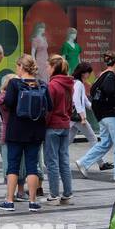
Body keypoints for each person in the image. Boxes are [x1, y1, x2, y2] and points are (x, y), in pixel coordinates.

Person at [0, 54, 47, 212]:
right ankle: (33, 202)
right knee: (32, 166)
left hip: (16, 130)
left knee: (13, 166)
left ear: (21, 67)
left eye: (17, 67)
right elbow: (49, 106)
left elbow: (8, 103)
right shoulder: (41, 84)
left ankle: (9, 200)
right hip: (36, 130)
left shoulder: (14, 83)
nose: (16, 70)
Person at [76, 51, 115, 177]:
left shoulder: (101, 76)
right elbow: (110, 95)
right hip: (112, 115)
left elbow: (94, 92)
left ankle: (83, 162)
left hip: (102, 116)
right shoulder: (110, 76)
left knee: (105, 143)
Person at [43, 54, 75, 205]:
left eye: (48, 66)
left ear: (54, 67)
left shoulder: (52, 85)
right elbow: (70, 107)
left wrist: (45, 123)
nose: (46, 68)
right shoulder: (69, 84)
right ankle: (67, 194)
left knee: (52, 161)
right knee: (64, 160)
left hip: (53, 126)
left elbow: (48, 109)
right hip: (65, 125)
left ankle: (54, 195)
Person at [70, 61, 97, 151]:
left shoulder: (77, 83)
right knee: (93, 138)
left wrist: (97, 107)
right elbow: (76, 100)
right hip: (78, 118)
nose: (89, 74)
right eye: (88, 72)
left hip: (74, 118)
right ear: (83, 73)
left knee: (67, 141)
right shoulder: (78, 84)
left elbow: (85, 101)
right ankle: (101, 164)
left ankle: (56, 161)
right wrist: (82, 117)